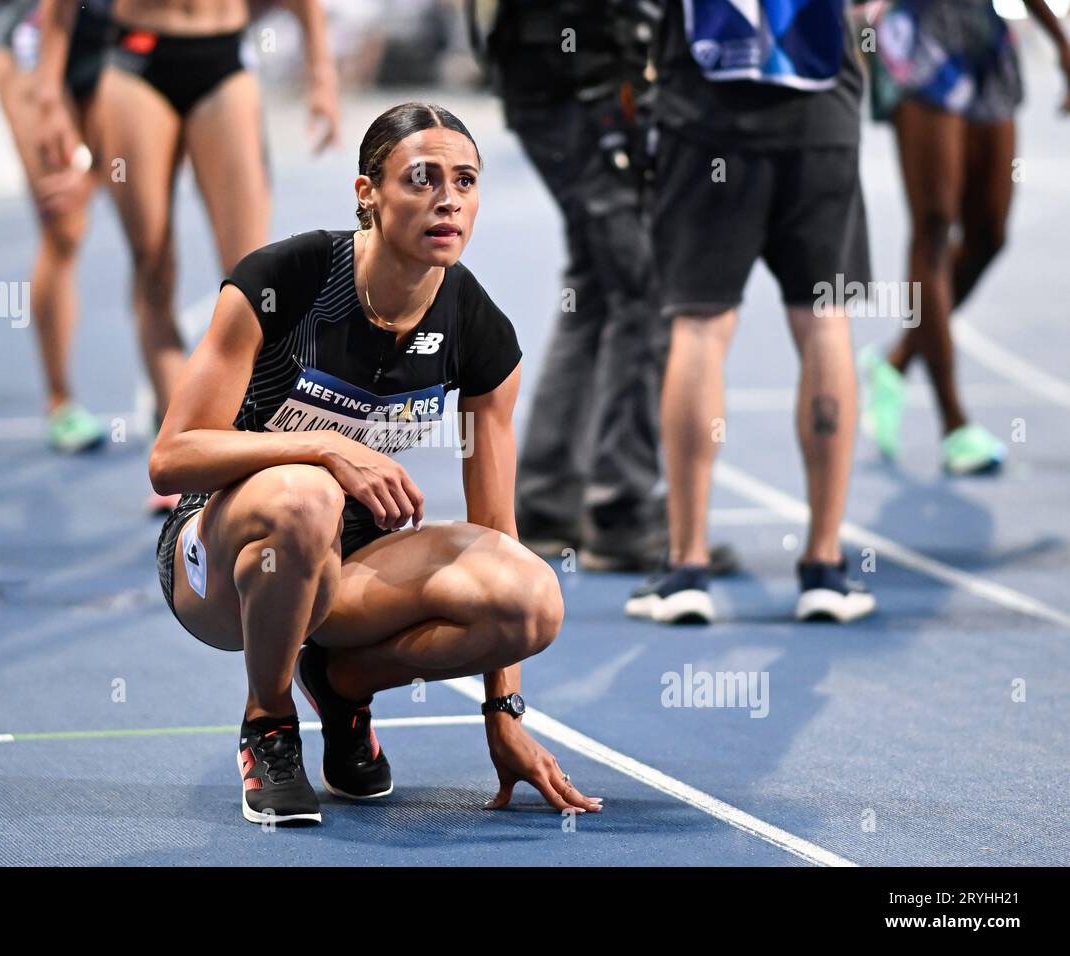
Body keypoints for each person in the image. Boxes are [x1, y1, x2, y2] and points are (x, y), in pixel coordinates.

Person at [150, 103, 600, 825]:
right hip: (221, 560)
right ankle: (267, 722)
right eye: (422, 179)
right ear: (368, 193)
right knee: (306, 498)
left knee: (531, 600)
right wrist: (327, 447)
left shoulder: (479, 332)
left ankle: (341, 683)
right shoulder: (284, 280)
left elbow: (495, 522)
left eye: (465, 181)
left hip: (351, 569)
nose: (448, 199)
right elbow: (172, 458)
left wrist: (502, 710)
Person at [627, 0, 876, 625]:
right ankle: (824, 565)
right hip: (819, 107)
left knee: (701, 325)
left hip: (708, 111)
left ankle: (687, 566)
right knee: (823, 319)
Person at [36, 0, 340, 511]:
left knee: (256, 278)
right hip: (137, 61)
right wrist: (49, 95)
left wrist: (321, 72)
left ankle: (251, 442)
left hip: (222, 59)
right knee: (153, 266)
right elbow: (60, 9)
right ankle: (180, 443)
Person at [480, 0, 737, 575]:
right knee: (640, 292)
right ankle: (621, 510)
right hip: (581, 83)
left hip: (554, 76)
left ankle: (549, 501)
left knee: (598, 286)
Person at [859, 0, 1070, 475]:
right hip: (917, 35)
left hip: (982, 35)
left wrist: (1059, 39)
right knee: (933, 227)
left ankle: (895, 360)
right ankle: (954, 425)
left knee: (989, 235)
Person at [0, 0, 116, 452]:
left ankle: (166, 396)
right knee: (63, 229)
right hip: (33, 41)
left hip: (116, 39)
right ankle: (60, 401)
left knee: (145, 218)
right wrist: (47, 96)